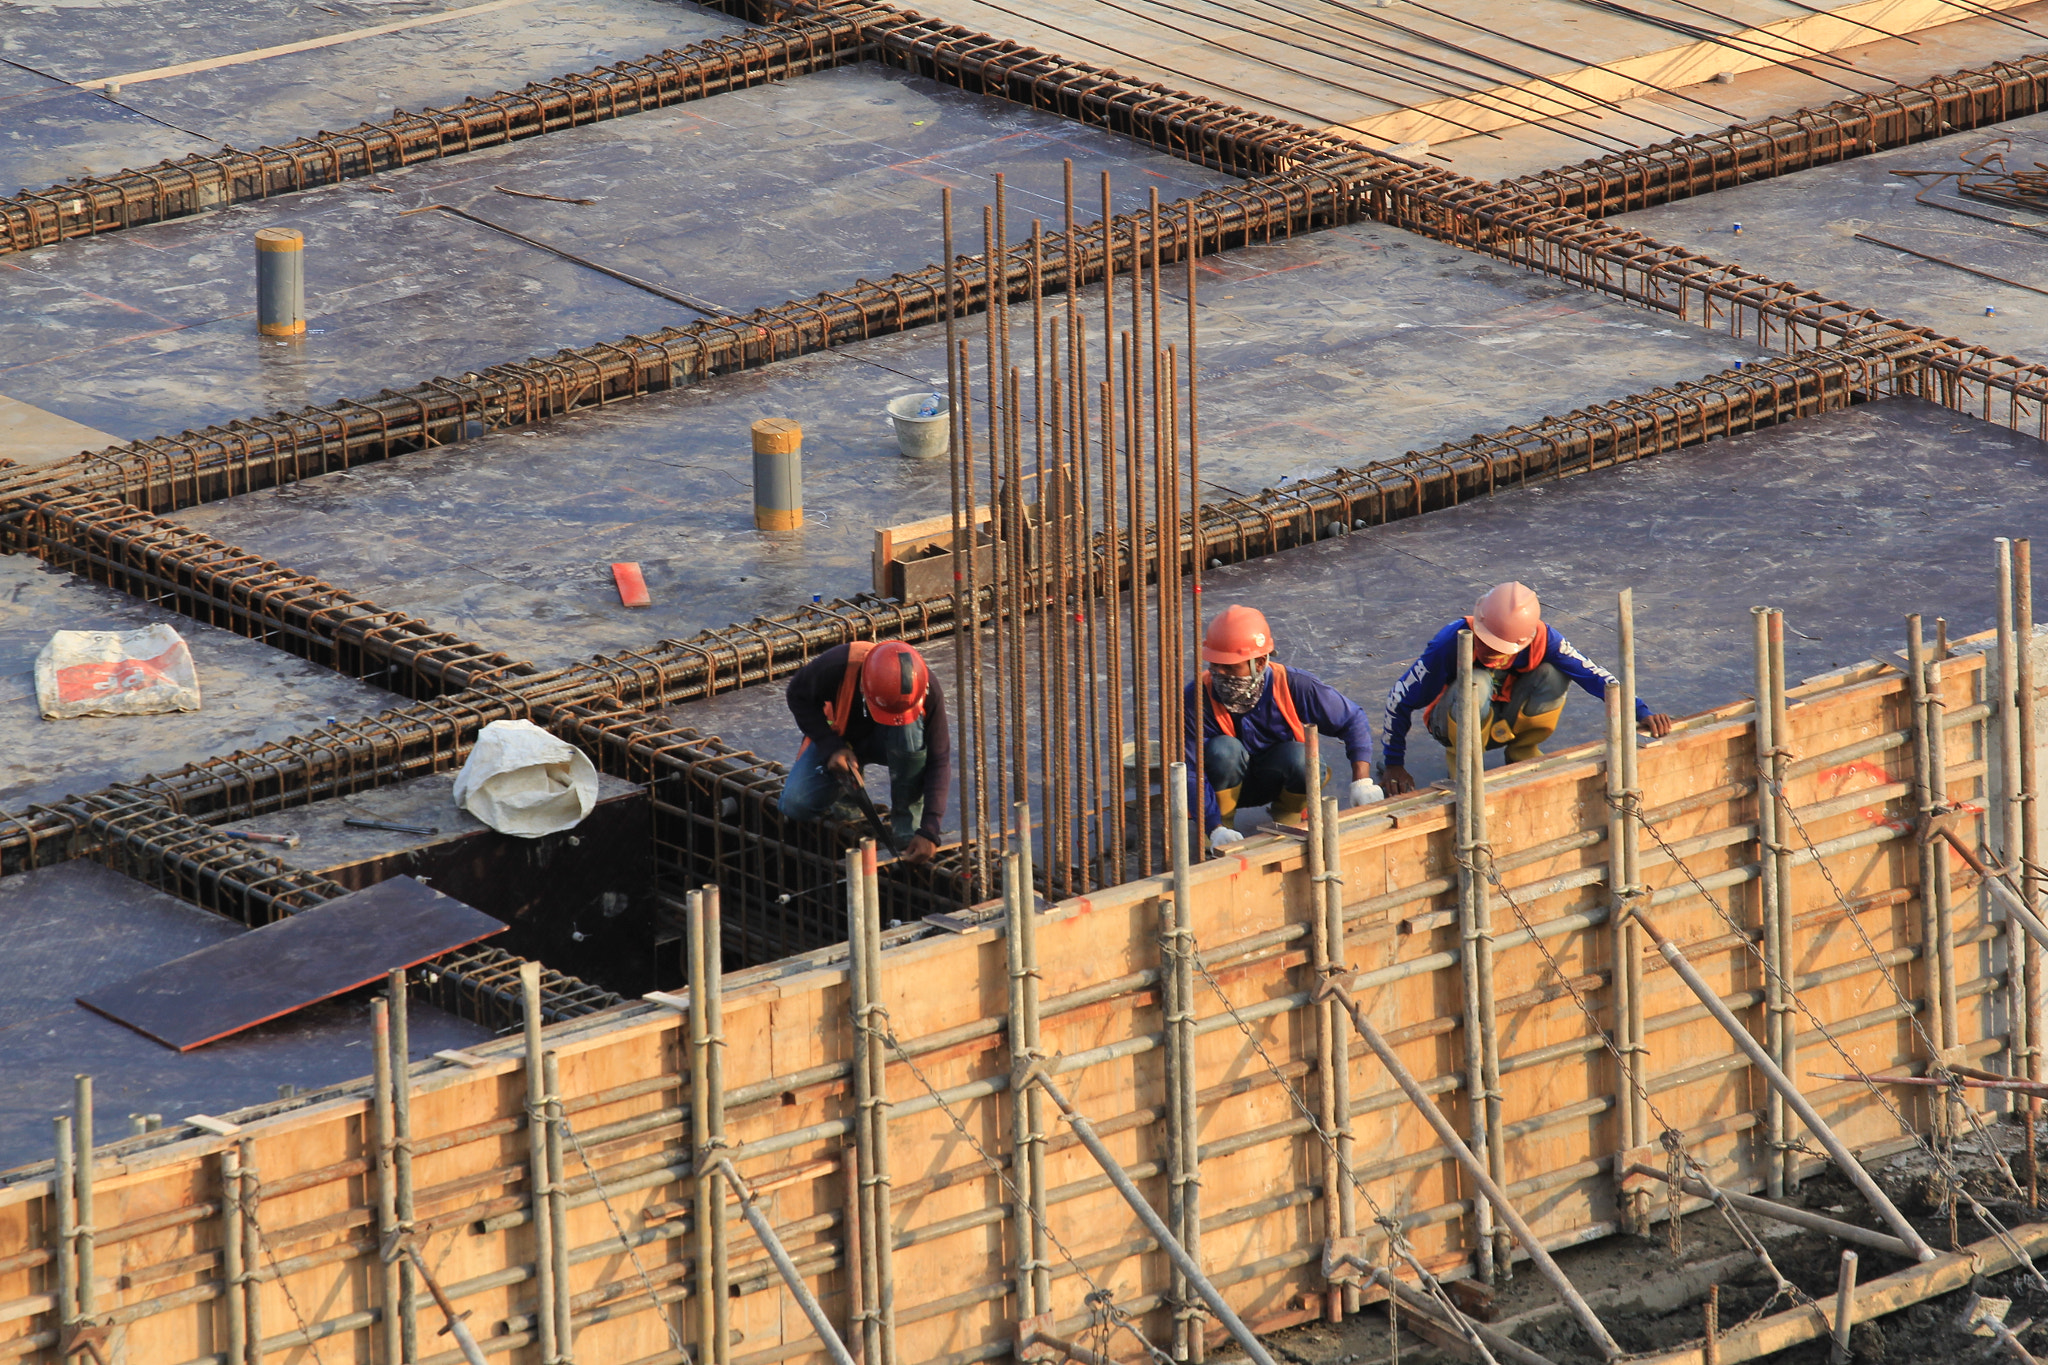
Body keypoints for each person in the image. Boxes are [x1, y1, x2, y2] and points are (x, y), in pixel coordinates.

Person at [1379, 581, 1673, 795]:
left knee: (1554, 676)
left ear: (1525, 639)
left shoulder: (1547, 640)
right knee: (1476, 681)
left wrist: (1641, 711)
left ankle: (1522, 752)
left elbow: (1598, 678)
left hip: (1505, 720)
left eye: (1499, 648)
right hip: (1453, 725)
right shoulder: (1450, 642)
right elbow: (1399, 698)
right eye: (1484, 642)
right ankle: (1465, 767)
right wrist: (1394, 763)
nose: (1489, 652)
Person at [1186, 604, 1382, 851]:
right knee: (1224, 750)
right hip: (1221, 788)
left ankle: (1289, 813)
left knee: (1302, 758)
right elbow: (1191, 771)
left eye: (1230, 667)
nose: (1219, 672)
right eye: (1215, 664)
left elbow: (1352, 719)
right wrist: (1213, 826)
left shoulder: (1293, 684)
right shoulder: (1196, 698)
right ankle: (1222, 828)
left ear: (1259, 663)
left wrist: (1361, 781)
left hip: (1276, 779)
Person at [778, 640, 949, 863]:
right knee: (795, 804)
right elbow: (796, 695)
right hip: (842, 735)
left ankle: (908, 827)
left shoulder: (925, 686)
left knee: (910, 731)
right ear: (864, 687)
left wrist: (929, 828)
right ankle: (844, 792)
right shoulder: (837, 665)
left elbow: (939, 759)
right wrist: (831, 747)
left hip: (893, 744)